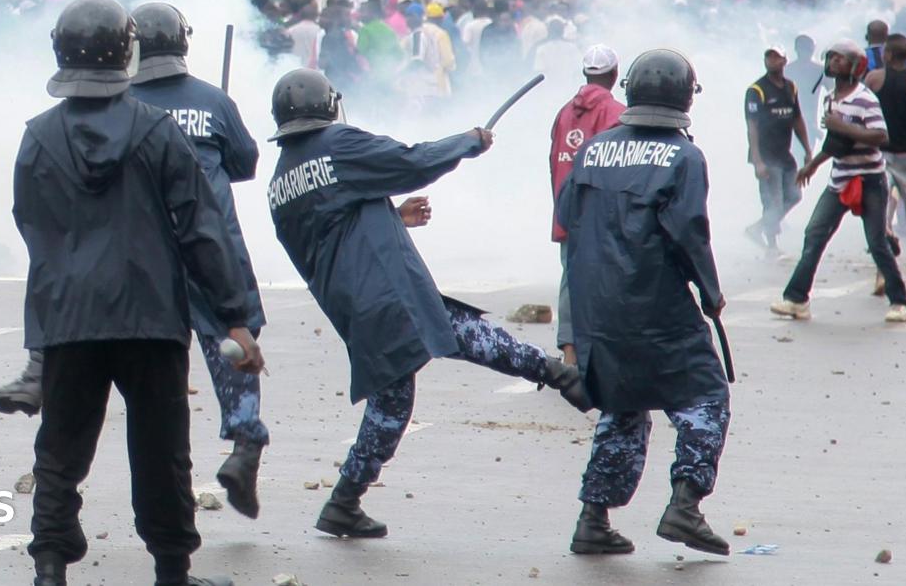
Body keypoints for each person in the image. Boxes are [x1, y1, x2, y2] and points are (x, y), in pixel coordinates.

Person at [266, 68, 590, 540]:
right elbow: (411, 161)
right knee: (461, 333)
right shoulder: (339, 144)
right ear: (326, 106)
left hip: (355, 305)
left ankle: (343, 502)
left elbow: (329, 231)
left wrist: (391, 217)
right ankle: (561, 375)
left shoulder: (280, 184)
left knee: (394, 401)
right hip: (385, 293)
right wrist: (468, 142)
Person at [19, 0, 257, 586]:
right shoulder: (158, 131)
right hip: (150, 317)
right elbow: (201, 229)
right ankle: (172, 572)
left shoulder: (38, 137)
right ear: (126, 51)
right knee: (161, 452)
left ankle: (49, 568)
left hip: (68, 318)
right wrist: (234, 316)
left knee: (60, 449)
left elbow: (31, 223)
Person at [557, 49, 731, 557]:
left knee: (623, 402)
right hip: (656, 306)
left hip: (598, 307)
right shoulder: (684, 156)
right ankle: (686, 505)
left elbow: (567, 214)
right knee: (706, 397)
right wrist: (711, 292)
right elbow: (689, 232)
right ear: (685, 96)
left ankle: (594, 519)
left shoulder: (593, 151)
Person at [129, 2, 271, 519]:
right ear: (183, 43)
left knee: (158, 375)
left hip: (145, 257)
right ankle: (245, 442)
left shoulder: (121, 102)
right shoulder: (214, 100)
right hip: (213, 247)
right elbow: (245, 163)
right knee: (235, 345)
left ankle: (168, 482)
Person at [771, 41, 906, 323]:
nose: (833, 62)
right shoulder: (830, 98)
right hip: (839, 181)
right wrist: (813, 164)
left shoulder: (865, 98)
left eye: (840, 59)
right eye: (831, 57)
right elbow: (835, 142)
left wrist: (842, 126)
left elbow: (879, 136)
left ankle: (901, 302)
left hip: (869, 180)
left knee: (876, 242)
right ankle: (797, 299)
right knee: (814, 234)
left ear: (855, 66)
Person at [548, 44, 626, 367]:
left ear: (585, 74)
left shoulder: (564, 112)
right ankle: (604, 353)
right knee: (611, 280)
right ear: (614, 75)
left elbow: (554, 160)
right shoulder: (618, 114)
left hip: (568, 211)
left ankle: (570, 355)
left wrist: (561, 205)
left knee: (571, 279)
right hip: (602, 216)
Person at [743, 45, 814, 254]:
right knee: (772, 200)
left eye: (776, 57)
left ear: (784, 61)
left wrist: (808, 149)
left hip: (785, 154)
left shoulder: (790, 87)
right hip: (766, 155)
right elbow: (752, 127)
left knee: (794, 195)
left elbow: (797, 119)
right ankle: (771, 247)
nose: (772, 61)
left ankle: (757, 228)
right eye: (769, 57)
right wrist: (757, 161)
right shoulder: (756, 90)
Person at [864, 34, 906, 285]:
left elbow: (860, 110)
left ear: (888, 54)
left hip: (880, 153)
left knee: (882, 212)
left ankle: (882, 271)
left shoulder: (874, 79)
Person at [787, 34, 828, 150]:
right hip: (790, 123)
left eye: (809, 48)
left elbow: (835, 94)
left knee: (806, 159)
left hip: (811, 124)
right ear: (796, 49)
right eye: (803, 48)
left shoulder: (820, 71)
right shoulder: (787, 70)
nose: (806, 52)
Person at [287, 1, 321, 69]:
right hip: (314, 69)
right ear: (316, 16)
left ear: (300, 15)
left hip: (295, 66)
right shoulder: (320, 31)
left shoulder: (290, 30)